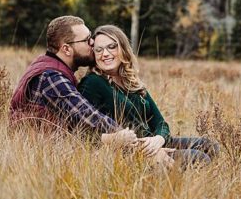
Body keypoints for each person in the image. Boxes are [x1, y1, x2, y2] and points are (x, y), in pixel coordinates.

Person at [8, 15, 168, 163]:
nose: (92, 43)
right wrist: (132, 141)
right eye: (86, 40)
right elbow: (88, 117)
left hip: (54, 155)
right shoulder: (51, 77)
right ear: (66, 49)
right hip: (46, 160)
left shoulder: (53, 70)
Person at [79, 25, 221, 165]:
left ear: (123, 48)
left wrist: (158, 139)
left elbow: (160, 122)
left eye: (112, 47)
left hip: (152, 142)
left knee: (209, 146)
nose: (105, 54)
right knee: (199, 158)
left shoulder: (131, 81)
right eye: (99, 50)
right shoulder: (93, 83)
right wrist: (147, 149)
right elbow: (84, 133)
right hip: (134, 151)